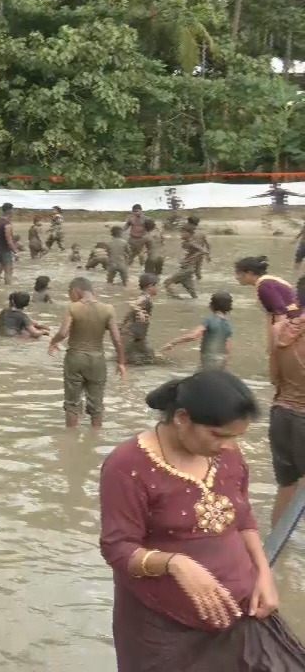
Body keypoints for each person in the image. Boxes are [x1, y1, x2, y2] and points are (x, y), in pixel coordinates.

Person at [98, 371, 305, 671]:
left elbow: (242, 517)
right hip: (164, 629)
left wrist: (263, 574)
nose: (227, 444)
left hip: (242, 613)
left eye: (234, 436)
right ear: (182, 418)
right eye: (218, 435)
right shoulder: (127, 466)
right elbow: (117, 548)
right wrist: (176, 564)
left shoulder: (227, 455)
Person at [47, 277, 127, 428]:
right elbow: (116, 339)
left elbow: (63, 333)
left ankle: (71, 439)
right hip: (97, 359)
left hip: (75, 358)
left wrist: (53, 342)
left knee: (72, 403)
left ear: (76, 290)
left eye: (70, 293)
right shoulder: (108, 309)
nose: (70, 296)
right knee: (97, 404)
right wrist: (121, 362)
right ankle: (95, 438)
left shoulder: (73, 308)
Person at [268, 307, 305, 526]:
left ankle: (276, 553)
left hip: (281, 414)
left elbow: (274, 378)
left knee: (287, 485)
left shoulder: (279, 329)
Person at [163, 292, 234, 371]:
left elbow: (193, 336)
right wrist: (226, 364)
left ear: (211, 305)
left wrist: (172, 343)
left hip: (209, 359)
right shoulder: (228, 324)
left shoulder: (209, 320)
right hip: (222, 359)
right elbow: (228, 348)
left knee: (199, 380)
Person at [234, 256, 302, 325]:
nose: (236, 278)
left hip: (294, 325)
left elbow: (280, 313)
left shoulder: (264, 286)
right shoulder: (268, 282)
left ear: (249, 273)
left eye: (238, 273)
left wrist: (277, 334)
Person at [122, 273, 166, 366]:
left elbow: (129, 313)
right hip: (133, 338)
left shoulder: (144, 297)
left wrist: (122, 325)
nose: (157, 288)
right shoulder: (145, 298)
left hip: (138, 338)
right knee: (136, 363)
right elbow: (132, 304)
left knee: (152, 360)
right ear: (150, 286)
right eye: (156, 285)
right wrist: (139, 311)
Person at [164, 226, 205, 300]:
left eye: (183, 232)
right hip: (185, 269)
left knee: (167, 282)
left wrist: (190, 258)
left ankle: (176, 300)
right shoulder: (185, 243)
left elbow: (203, 251)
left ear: (190, 234)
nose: (181, 234)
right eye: (181, 232)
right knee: (193, 295)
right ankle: (185, 302)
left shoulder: (191, 243)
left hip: (187, 270)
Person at [0, 203, 21, 284]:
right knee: (8, 271)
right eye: (12, 210)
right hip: (5, 250)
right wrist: (15, 252)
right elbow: (9, 240)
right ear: (9, 210)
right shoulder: (7, 224)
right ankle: (7, 290)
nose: (13, 211)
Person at [188, 216, 211, 280]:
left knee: (187, 271)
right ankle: (199, 282)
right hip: (200, 254)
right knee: (197, 271)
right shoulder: (202, 232)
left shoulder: (189, 232)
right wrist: (208, 255)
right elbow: (208, 244)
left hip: (191, 254)